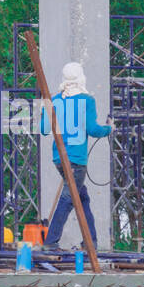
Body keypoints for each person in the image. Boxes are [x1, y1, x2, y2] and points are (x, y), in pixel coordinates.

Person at [39, 61, 110, 249]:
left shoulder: (54, 100)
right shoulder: (87, 100)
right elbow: (93, 130)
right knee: (68, 198)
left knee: (82, 197)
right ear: (81, 77)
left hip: (59, 159)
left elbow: (44, 129)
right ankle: (51, 242)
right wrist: (109, 128)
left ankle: (91, 241)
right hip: (77, 160)